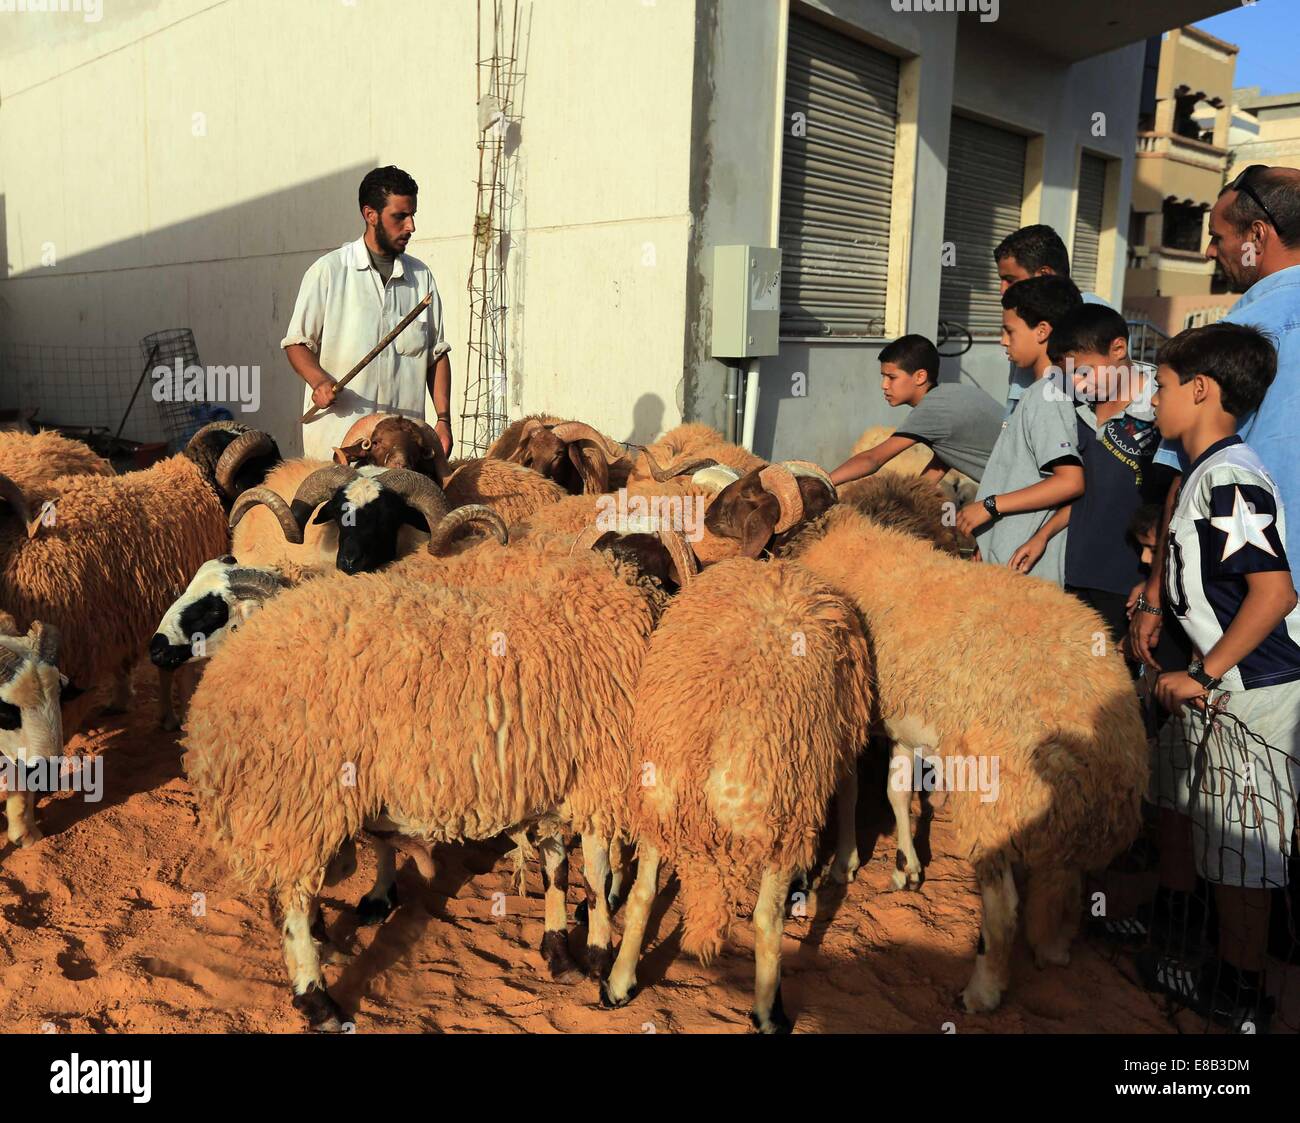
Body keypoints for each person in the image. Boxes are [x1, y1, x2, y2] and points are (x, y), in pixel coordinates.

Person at [1134, 320, 1300, 1032]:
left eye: (1163, 386)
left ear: (1200, 390)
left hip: (1253, 690)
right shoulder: (1202, 469)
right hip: (1210, 679)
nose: (1151, 397)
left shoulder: (1231, 478)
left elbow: (1274, 592)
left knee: (1241, 850)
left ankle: (1241, 992)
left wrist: (1204, 670)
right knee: (1181, 800)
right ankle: (1178, 928)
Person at [1132, 167, 1300, 672]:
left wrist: (1155, 597)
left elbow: (1184, 474)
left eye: (1217, 237)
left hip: (1243, 616)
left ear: (1257, 236)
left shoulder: (1235, 339)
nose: (1209, 251)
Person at [282, 165, 454, 461]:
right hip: (340, 447)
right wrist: (319, 381)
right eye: (399, 216)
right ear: (370, 215)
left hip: (402, 453)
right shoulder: (329, 272)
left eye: (412, 215)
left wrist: (443, 420)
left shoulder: (421, 277)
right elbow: (297, 343)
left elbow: (436, 356)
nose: (411, 226)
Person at [1037, 304, 1168, 647]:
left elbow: (1175, 504)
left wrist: (1155, 583)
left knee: (1124, 688)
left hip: (1131, 581)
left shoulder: (1163, 406)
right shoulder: (1075, 408)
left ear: (1118, 349)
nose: (1077, 385)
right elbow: (1083, 493)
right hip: (1077, 571)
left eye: (1083, 372)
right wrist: (1042, 536)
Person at [956, 275, 1083, 583]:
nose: (1003, 340)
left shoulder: (1046, 395)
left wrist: (989, 506)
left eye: (1010, 330)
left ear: (1042, 331)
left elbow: (1070, 482)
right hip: (1011, 562)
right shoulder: (1050, 390)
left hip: (1025, 572)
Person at [827, 334, 1003, 487]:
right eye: (883, 377)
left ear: (920, 376)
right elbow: (944, 460)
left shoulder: (931, 410)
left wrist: (823, 481)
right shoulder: (955, 392)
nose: (884, 385)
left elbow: (873, 458)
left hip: (1016, 490)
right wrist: (910, 499)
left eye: (891, 377)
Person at [994, 224, 1116, 415]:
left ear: (1044, 275)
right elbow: (1017, 395)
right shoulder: (1024, 313)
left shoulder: (1094, 316)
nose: (1002, 289)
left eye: (1010, 279)